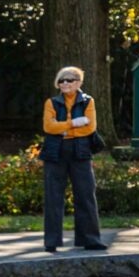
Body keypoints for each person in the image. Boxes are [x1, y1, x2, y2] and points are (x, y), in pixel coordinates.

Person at [39, 66, 109, 252]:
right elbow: (48, 127)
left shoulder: (88, 101)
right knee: (53, 197)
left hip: (80, 152)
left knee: (85, 195)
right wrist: (73, 123)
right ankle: (51, 241)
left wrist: (63, 129)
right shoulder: (51, 103)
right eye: (61, 80)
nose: (65, 83)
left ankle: (90, 239)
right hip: (55, 153)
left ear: (78, 83)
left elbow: (90, 128)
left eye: (69, 80)